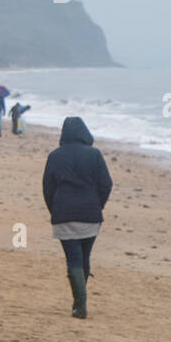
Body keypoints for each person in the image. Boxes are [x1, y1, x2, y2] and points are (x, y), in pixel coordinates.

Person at [43, 117, 113, 319]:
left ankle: (79, 304)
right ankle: (79, 303)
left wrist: (54, 209)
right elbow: (106, 184)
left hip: (64, 215)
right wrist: (97, 205)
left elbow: (48, 187)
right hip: (90, 215)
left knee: (73, 258)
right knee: (84, 256)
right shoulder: (95, 155)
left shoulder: (55, 156)